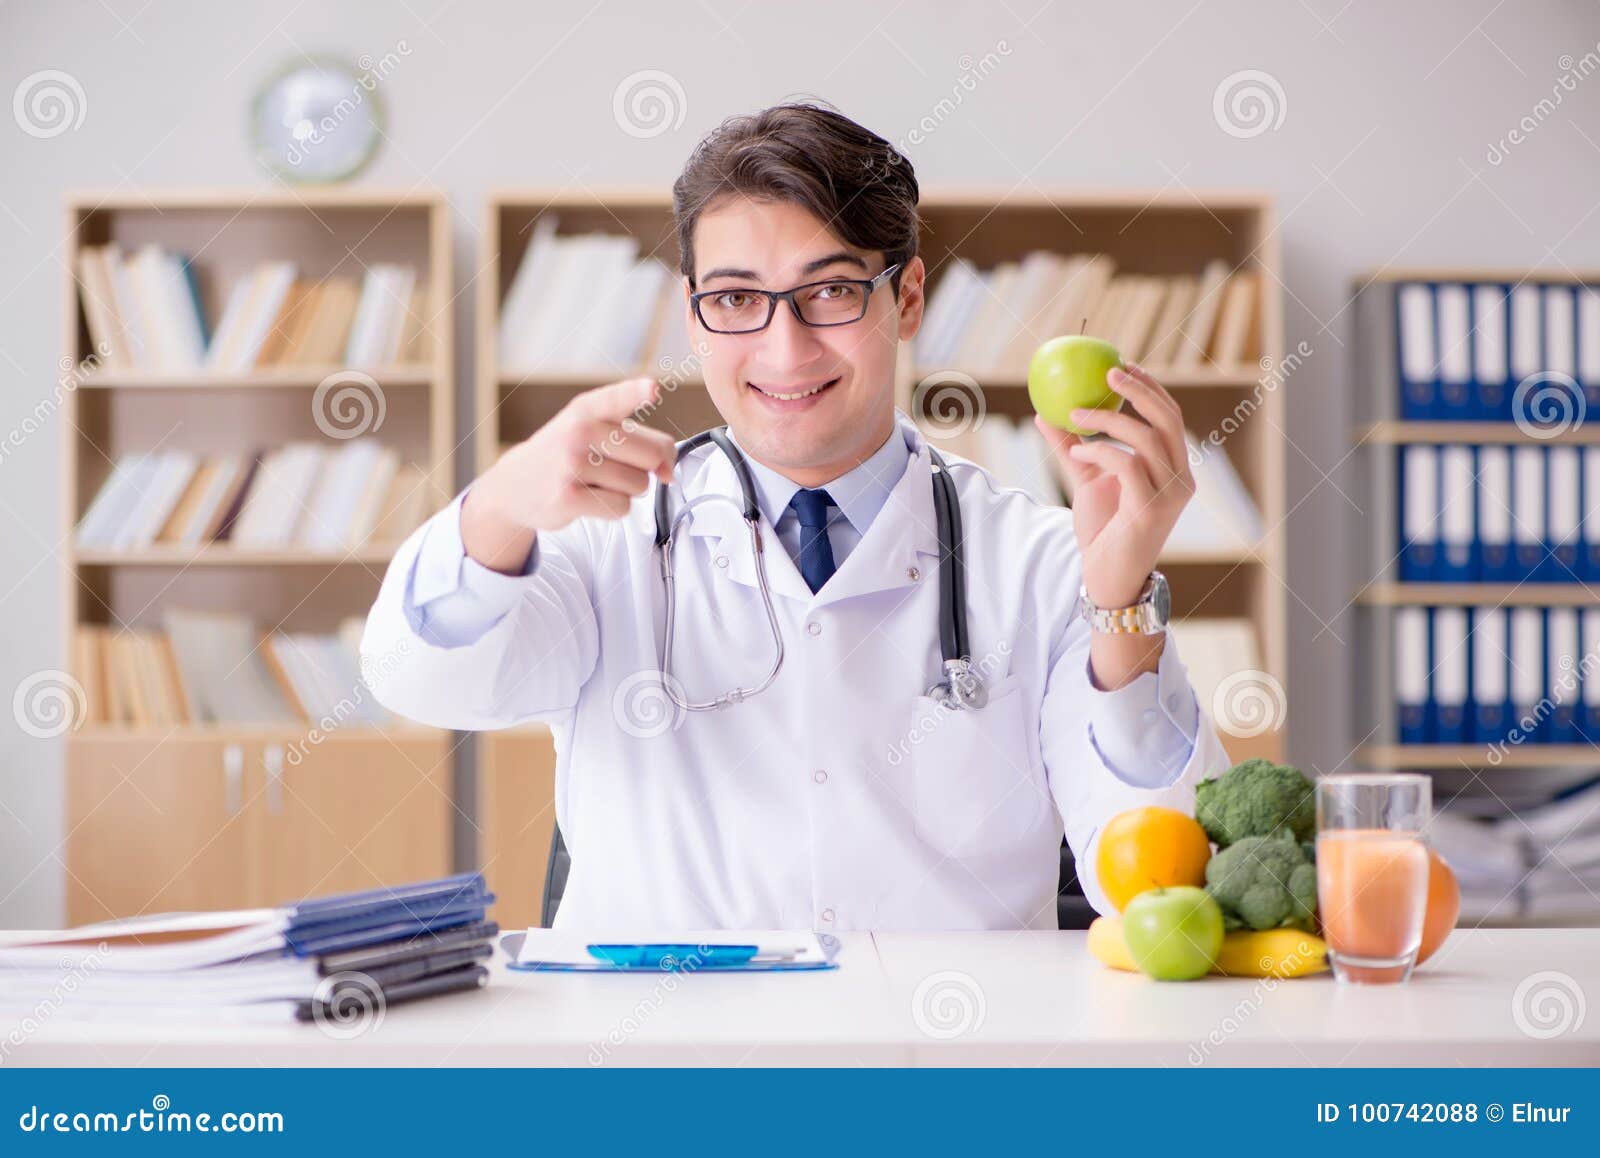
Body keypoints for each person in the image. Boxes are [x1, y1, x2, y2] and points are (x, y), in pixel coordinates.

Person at [362, 101, 1230, 930]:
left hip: (946, 1032)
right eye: (737, 299)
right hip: (663, 1031)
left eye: (832, 291)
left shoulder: (1044, 561)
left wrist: (1120, 604)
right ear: (693, 314)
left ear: (909, 298)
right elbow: (419, 678)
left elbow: (1162, 884)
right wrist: (500, 507)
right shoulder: (604, 537)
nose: (786, 349)